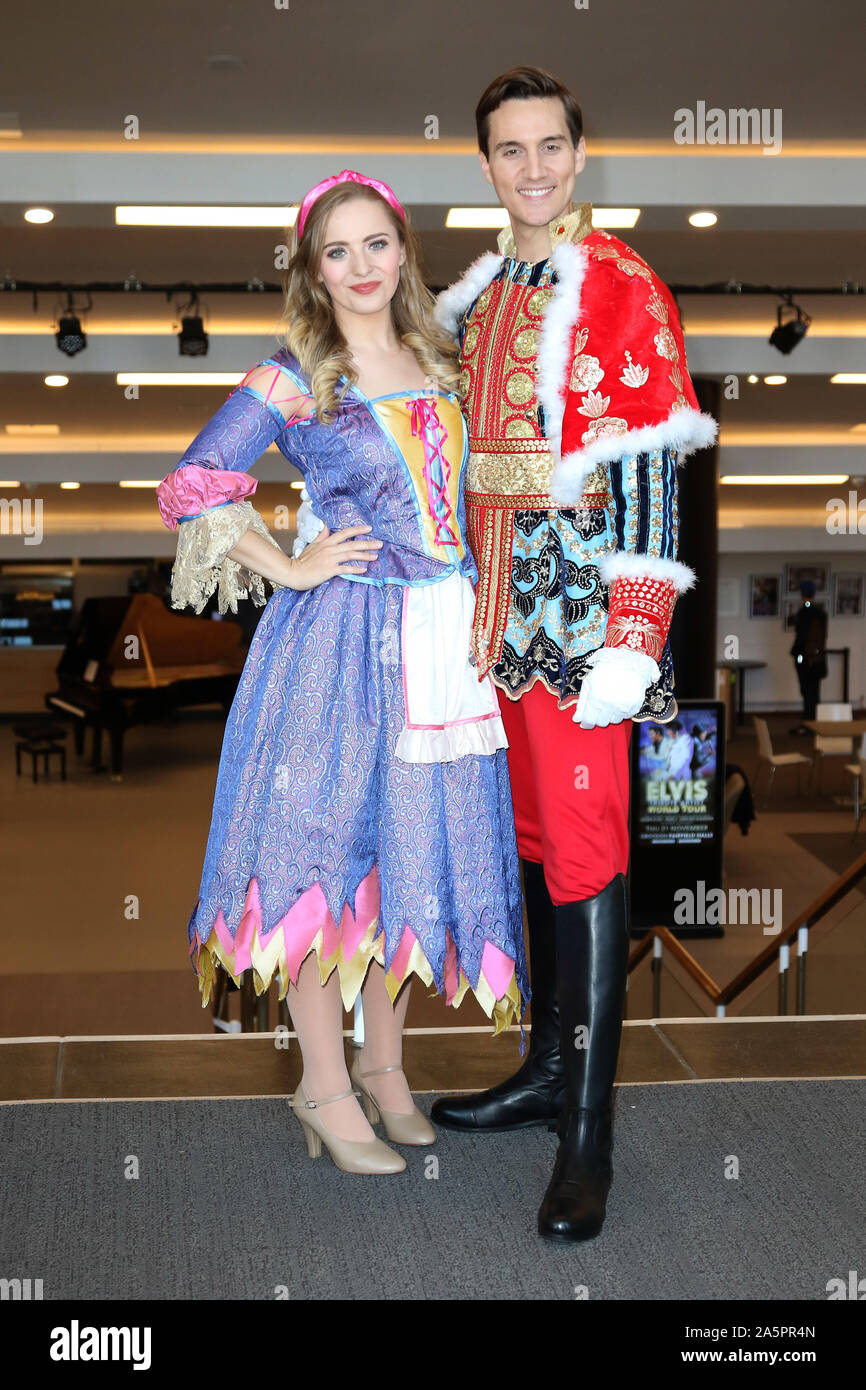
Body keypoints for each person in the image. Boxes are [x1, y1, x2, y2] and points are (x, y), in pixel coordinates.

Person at [156, 170, 528, 1176]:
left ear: (404, 252)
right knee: (324, 856)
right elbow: (191, 483)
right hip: (333, 648)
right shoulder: (294, 373)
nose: (360, 267)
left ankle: (385, 1071)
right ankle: (321, 1084)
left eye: (376, 244)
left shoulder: (446, 361)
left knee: (403, 852)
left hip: (440, 644)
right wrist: (288, 562)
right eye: (336, 250)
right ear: (310, 269)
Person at [430, 66, 717, 1241]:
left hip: (584, 627)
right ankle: (546, 1070)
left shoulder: (621, 283)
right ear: (485, 163)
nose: (532, 168)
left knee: (591, 858)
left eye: (550, 146)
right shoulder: (484, 291)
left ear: (579, 152)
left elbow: (653, 459)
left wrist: (634, 636)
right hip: (499, 628)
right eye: (509, 150)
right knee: (540, 851)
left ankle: (589, 1131)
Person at [789, 580, 828, 734]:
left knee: (807, 691)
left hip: (804, 658)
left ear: (802, 594)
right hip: (818, 660)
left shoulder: (804, 612)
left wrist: (795, 653)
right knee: (814, 692)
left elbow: (801, 638)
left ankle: (808, 725)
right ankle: (813, 723)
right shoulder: (821, 613)